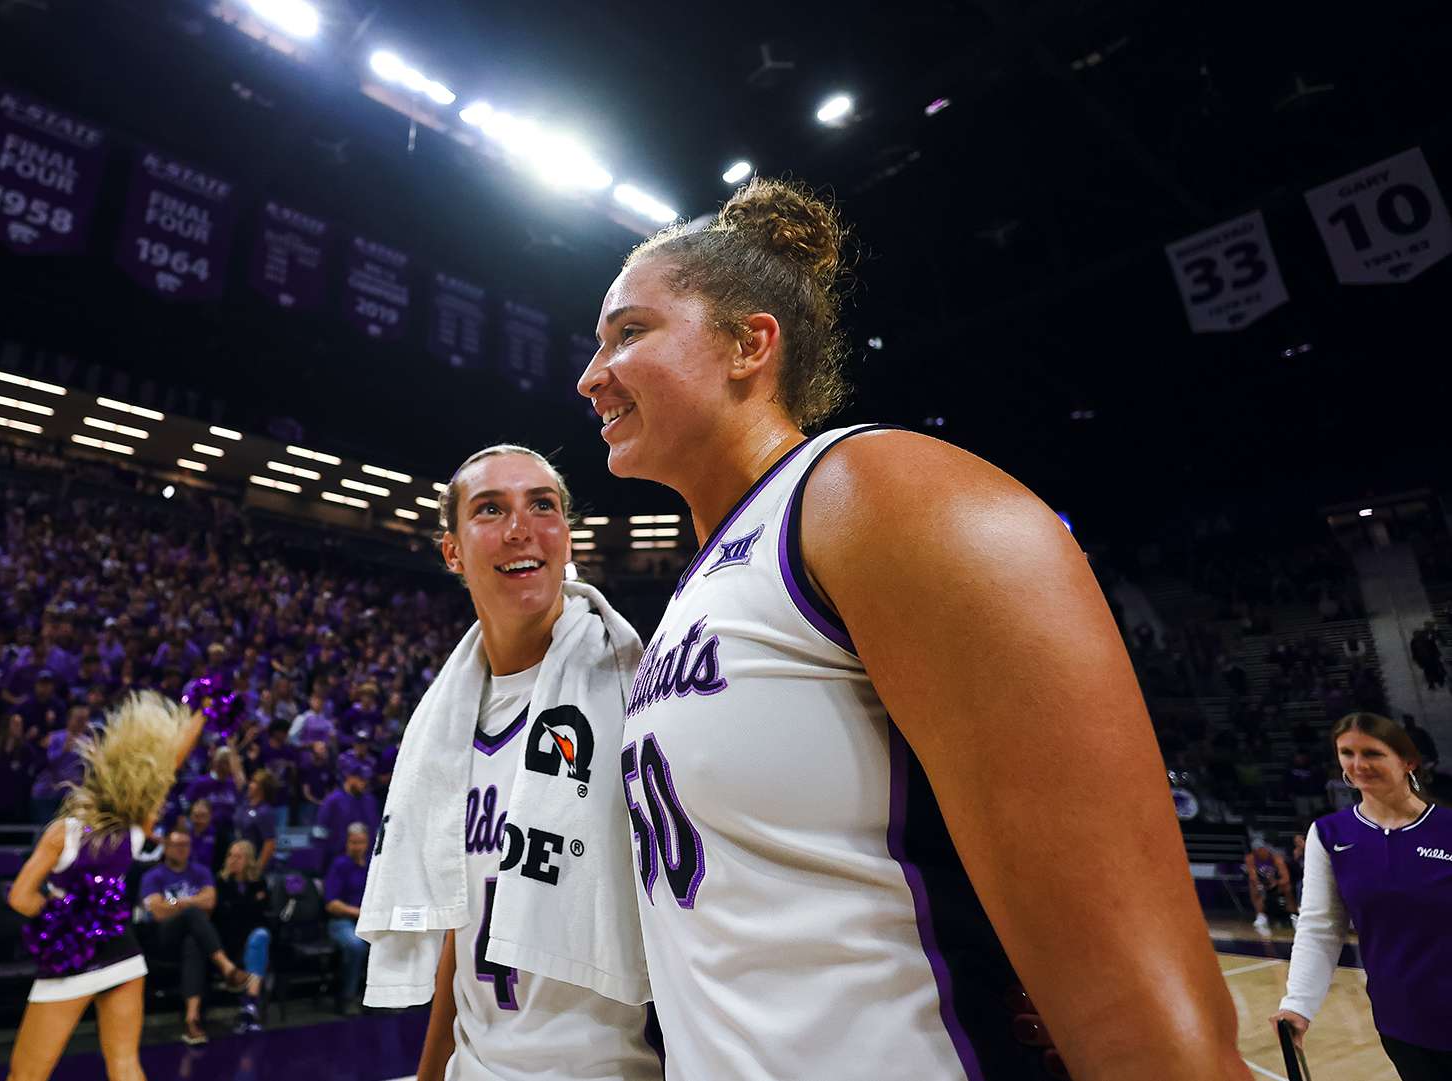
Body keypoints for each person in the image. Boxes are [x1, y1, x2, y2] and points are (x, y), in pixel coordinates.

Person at [575, 177, 1246, 1079]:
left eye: (629, 332)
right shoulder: (695, 595)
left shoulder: (871, 493)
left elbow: (1153, 1030)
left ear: (747, 343)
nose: (590, 374)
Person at [398, 444, 662, 1081]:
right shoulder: (443, 725)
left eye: (541, 506)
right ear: (452, 551)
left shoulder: (642, 695)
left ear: (566, 537)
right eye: (491, 509)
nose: (521, 528)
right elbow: (460, 940)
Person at [6, 694, 204, 1081]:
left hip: (70, 961)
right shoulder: (136, 829)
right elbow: (167, 766)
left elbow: (19, 898)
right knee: (125, 1064)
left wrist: (62, 919)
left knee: (25, 1076)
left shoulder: (63, 834)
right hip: (123, 954)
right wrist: (202, 713)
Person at [1272, 712, 1452, 1078]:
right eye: (1347, 753)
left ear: (1407, 761)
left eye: (1372, 753)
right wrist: (1298, 1005)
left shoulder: (1447, 828)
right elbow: (1320, 928)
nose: (1358, 765)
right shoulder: (1329, 834)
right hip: (1403, 1021)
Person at [140, 829, 252, 1046]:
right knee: (193, 914)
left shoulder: (201, 871)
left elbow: (210, 903)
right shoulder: (153, 876)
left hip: (195, 938)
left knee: (193, 942)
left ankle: (192, 1020)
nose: (181, 849)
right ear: (166, 847)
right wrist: (187, 904)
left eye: (185, 845)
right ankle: (227, 968)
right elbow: (157, 912)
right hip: (163, 938)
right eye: (176, 845)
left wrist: (173, 903)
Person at [214, 839, 272, 1035]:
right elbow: (224, 916)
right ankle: (251, 1005)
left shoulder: (259, 881)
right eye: (230, 855)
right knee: (258, 939)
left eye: (238, 856)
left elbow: (262, 914)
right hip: (227, 940)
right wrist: (248, 904)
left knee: (261, 936)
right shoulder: (220, 882)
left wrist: (242, 907)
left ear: (248, 860)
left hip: (253, 938)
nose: (232, 860)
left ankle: (249, 1004)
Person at [324, 823, 371, 1016]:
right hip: (341, 921)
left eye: (360, 842)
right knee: (355, 945)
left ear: (367, 843)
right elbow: (331, 904)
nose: (357, 847)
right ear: (347, 843)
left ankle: (378, 997)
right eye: (353, 842)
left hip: (370, 920)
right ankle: (347, 997)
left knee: (389, 941)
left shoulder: (373, 864)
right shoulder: (339, 865)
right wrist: (357, 912)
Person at [1245, 833, 1298, 933]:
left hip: (1278, 883)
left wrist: (1275, 883)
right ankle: (1261, 916)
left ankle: (1294, 915)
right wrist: (1260, 884)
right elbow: (1252, 875)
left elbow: (1286, 877)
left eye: (1262, 849)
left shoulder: (1276, 859)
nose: (1260, 852)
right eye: (1257, 850)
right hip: (1262, 883)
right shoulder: (1250, 858)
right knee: (1253, 887)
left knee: (1287, 888)